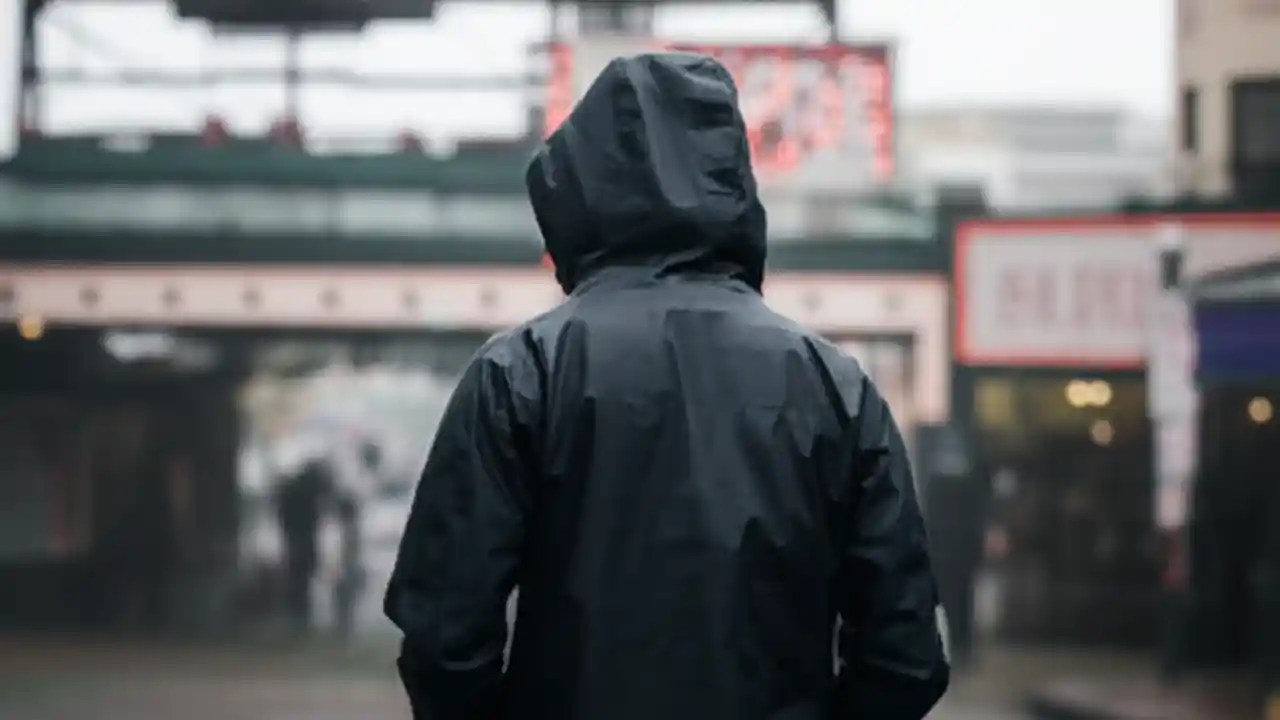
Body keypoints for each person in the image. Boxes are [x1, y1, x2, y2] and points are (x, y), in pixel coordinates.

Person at [385, 53, 949, 720]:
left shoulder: (520, 373)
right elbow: (906, 657)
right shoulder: (837, 388)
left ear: (578, 190)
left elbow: (445, 639)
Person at [275, 457, 331, 633]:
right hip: (301, 539)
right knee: (300, 579)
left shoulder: (296, 490)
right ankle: (299, 618)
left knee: (299, 579)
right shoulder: (304, 493)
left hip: (297, 539)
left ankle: (298, 617)